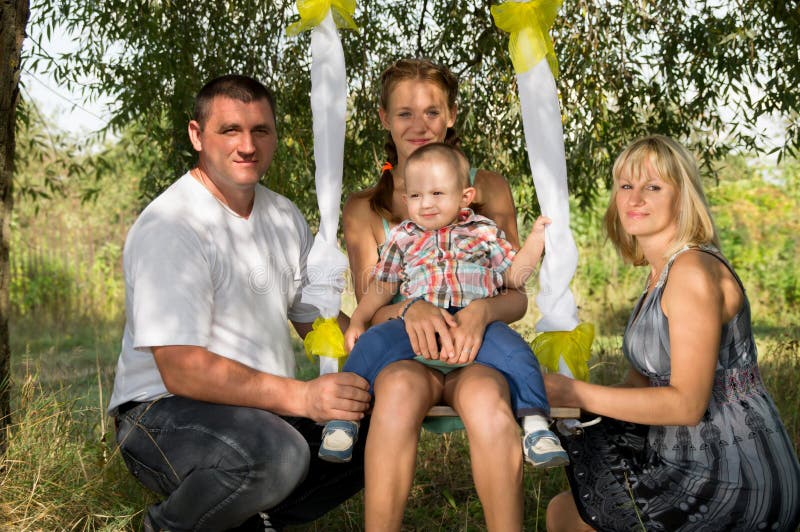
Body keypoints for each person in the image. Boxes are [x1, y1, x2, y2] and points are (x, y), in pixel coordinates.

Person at [107, 74, 372, 532]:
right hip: (161, 413)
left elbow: (317, 320)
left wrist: (391, 354)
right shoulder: (171, 225)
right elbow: (182, 370)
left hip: (261, 413)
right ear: (197, 135)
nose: (247, 146)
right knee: (276, 454)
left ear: (274, 135)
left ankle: (253, 521)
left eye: (260, 130)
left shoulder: (283, 215)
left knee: (381, 422)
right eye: (230, 130)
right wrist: (305, 397)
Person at [544, 135, 800, 532]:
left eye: (653, 187)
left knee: (569, 519)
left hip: (733, 475)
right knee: (563, 508)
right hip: (683, 458)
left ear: (682, 198)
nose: (634, 199)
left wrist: (574, 393)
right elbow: (640, 386)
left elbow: (686, 405)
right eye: (625, 186)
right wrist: (555, 399)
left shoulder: (692, 271)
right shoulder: (660, 274)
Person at [341, 58, 533, 530]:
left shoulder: (487, 188)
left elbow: (515, 295)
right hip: (407, 354)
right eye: (404, 113)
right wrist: (411, 307)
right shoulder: (364, 208)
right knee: (398, 391)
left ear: (451, 115)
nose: (419, 125)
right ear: (384, 119)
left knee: (487, 399)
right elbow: (373, 305)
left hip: (477, 350)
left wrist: (482, 311)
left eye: (431, 112)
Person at [319, 143, 567, 469]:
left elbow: (512, 275)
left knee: (519, 355)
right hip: (416, 326)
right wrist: (359, 319)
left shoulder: (484, 232)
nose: (426, 203)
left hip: (474, 327)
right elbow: (383, 285)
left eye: (437, 193)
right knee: (369, 347)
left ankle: (535, 427)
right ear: (406, 199)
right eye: (416, 195)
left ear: (465, 197)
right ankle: (343, 422)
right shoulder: (403, 237)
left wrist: (535, 242)